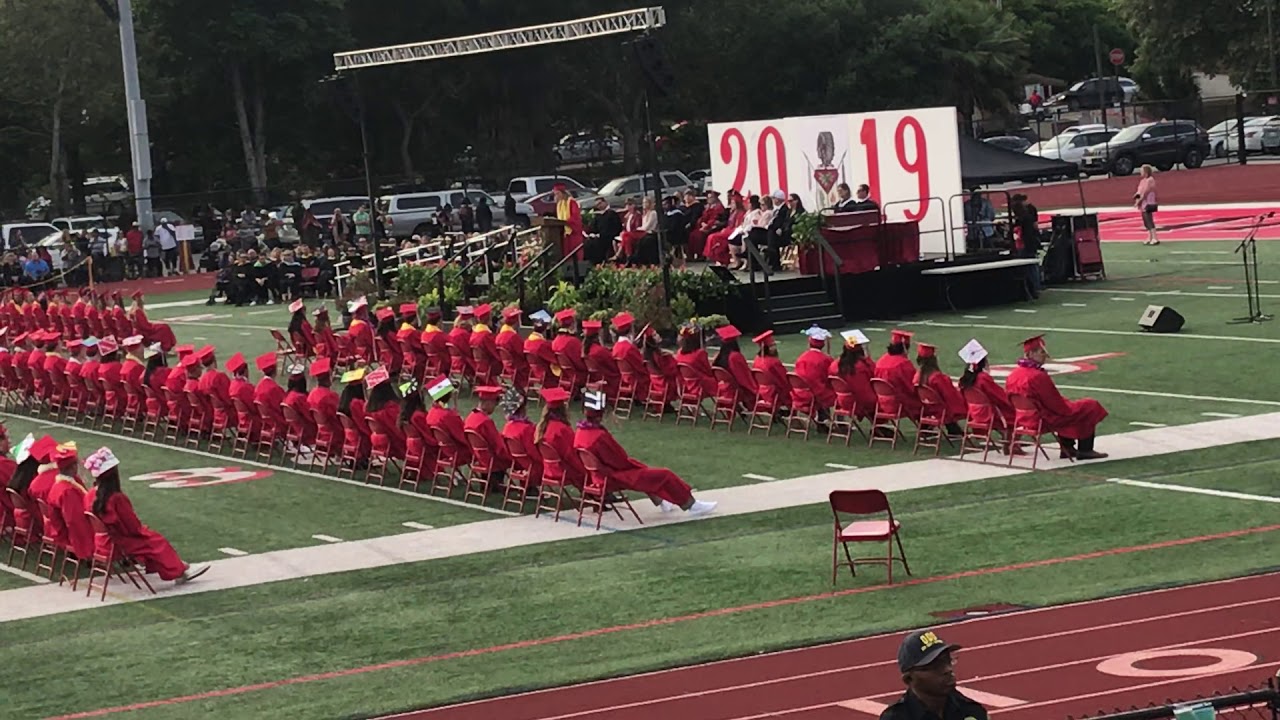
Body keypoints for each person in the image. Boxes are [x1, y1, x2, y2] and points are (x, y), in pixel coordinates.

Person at [574, 391, 717, 515]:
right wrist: (633, 465)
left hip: (598, 476)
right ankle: (691, 504)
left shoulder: (580, 432)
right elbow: (619, 461)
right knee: (664, 474)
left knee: (643, 470)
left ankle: (662, 501)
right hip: (611, 477)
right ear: (600, 414)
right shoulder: (599, 436)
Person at [83, 447, 208, 584]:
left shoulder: (90, 495)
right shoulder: (116, 498)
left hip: (103, 540)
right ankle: (179, 571)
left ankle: (176, 565)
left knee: (151, 539)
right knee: (155, 540)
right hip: (119, 541)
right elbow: (132, 527)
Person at [1004, 335, 1109, 459]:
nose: (1045, 356)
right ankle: (1085, 449)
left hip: (1023, 418)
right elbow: (1057, 406)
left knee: (1074, 407)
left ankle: (1068, 448)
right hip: (1041, 419)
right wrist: (1070, 406)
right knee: (1089, 406)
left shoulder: (1014, 374)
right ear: (1031, 354)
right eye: (1042, 352)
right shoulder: (1037, 376)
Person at [879, 629, 988, 720]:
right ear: (909, 679)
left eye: (948, 661)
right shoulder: (895, 718)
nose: (947, 669)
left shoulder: (972, 712)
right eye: (935, 666)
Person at [956, 339, 1014, 434]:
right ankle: (1010, 442)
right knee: (1014, 413)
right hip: (989, 415)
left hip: (974, 415)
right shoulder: (983, 378)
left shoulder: (963, 380)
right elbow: (998, 395)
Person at [534, 387, 587, 488]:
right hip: (562, 471)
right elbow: (571, 454)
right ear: (563, 408)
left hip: (548, 470)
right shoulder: (562, 429)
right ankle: (599, 496)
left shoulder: (540, 428)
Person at [914, 343, 966, 437]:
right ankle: (953, 428)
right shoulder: (937, 377)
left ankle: (927, 427)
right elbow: (949, 395)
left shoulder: (917, 376)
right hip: (940, 411)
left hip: (927, 409)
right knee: (959, 400)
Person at [463, 386, 514, 478]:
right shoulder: (485, 421)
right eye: (495, 403)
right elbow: (498, 447)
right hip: (493, 461)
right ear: (488, 403)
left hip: (479, 458)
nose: (495, 407)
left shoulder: (470, 418)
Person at [499, 385, 542, 488]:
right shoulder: (526, 429)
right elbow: (533, 453)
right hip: (532, 468)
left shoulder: (507, 426)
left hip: (516, 465)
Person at [875, 329, 922, 420]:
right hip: (900, 404)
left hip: (882, 403)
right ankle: (926, 427)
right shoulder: (902, 364)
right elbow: (912, 387)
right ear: (904, 348)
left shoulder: (880, 361)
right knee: (932, 401)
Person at [424, 375, 471, 465]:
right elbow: (463, 437)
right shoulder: (447, 416)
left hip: (443, 450)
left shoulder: (431, 413)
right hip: (458, 452)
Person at [831, 330, 877, 421]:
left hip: (842, 402)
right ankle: (877, 426)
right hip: (860, 402)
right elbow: (873, 378)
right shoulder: (862, 366)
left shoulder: (834, 365)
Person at [794, 326, 836, 415]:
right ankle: (839, 423)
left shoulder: (801, 358)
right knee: (840, 392)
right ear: (823, 344)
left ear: (809, 343)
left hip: (800, 393)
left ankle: (824, 418)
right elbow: (830, 378)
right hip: (818, 393)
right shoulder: (825, 359)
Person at [710, 325, 757, 401]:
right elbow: (743, 378)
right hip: (737, 391)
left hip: (723, 389)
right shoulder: (735, 357)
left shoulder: (719, 355)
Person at [674, 323, 716, 398]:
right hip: (701, 386)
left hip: (686, 387)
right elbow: (708, 372)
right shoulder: (700, 353)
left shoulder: (679, 353)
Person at [581, 320, 620, 398]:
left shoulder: (584, 350)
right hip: (607, 380)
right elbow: (613, 365)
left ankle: (583, 391)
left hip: (594, 379)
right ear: (597, 335)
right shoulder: (599, 351)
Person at [553, 182, 585, 259]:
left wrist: (566, 222)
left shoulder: (572, 202)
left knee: (575, 253)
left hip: (573, 232)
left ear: (562, 193)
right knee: (567, 254)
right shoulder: (559, 204)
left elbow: (575, 217)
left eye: (557, 193)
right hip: (565, 233)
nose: (556, 196)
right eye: (555, 194)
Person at [1135, 164, 1159, 246]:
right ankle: (1149, 236)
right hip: (1143, 203)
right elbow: (1139, 190)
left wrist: (1139, 200)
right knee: (1145, 221)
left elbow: (1146, 191)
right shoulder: (1142, 181)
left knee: (1149, 220)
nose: (1140, 173)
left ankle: (1155, 237)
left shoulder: (1150, 180)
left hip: (1148, 202)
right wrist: (1137, 197)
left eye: (1142, 171)